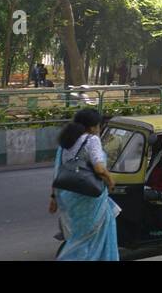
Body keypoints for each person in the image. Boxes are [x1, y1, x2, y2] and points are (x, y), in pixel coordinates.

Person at [50, 108, 120, 260]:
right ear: (93, 126)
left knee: (78, 237)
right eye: (99, 125)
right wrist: (110, 180)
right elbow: (99, 169)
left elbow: (58, 172)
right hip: (89, 200)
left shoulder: (66, 142)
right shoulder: (91, 140)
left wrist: (53, 198)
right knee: (91, 238)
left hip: (69, 199)